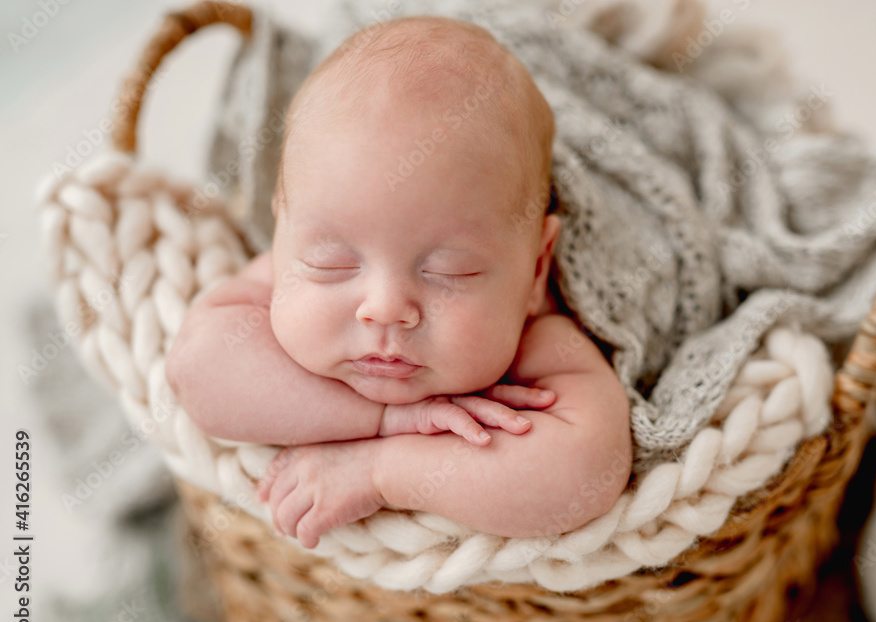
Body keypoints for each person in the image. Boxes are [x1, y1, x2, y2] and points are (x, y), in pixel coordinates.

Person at [165, 15, 632, 548]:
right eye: (335, 264)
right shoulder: (303, 256)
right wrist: (387, 418)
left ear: (535, 270)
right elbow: (195, 367)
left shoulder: (538, 333)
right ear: (282, 232)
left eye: (448, 272)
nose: (385, 309)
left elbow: (583, 474)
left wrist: (384, 470)